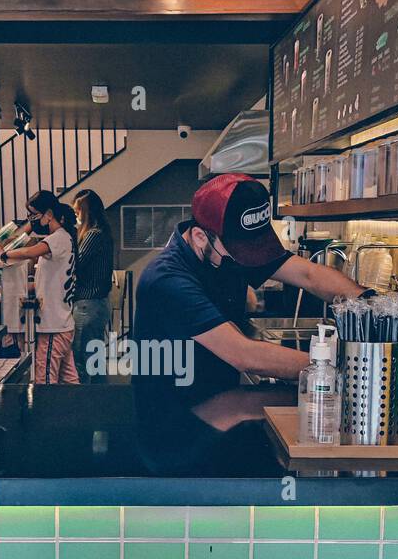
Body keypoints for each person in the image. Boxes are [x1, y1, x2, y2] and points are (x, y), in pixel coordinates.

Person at [133, 172, 366, 416]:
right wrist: (344, 369)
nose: (247, 259)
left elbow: (308, 274)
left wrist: (368, 301)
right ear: (201, 236)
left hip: (220, 401)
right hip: (173, 414)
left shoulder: (227, 248)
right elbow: (244, 354)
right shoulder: (167, 280)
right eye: (239, 252)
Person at [0, 189, 79, 384]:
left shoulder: (57, 238)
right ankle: (75, 413)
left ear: (49, 214)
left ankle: (46, 414)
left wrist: (3, 253)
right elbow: (50, 281)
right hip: (62, 324)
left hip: (53, 326)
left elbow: (30, 252)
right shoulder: (64, 237)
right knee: (69, 380)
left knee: (44, 380)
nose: (31, 220)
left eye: (34, 215)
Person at [71, 188, 114, 384]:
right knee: (94, 360)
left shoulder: (93, 235)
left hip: (87, 305)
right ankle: (101, 404)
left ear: (86, 212)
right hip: (98, 304)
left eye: (78, 211)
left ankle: (84, 406)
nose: (76, 216)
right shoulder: (103, 233)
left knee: (81, 358)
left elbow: (76, 264)